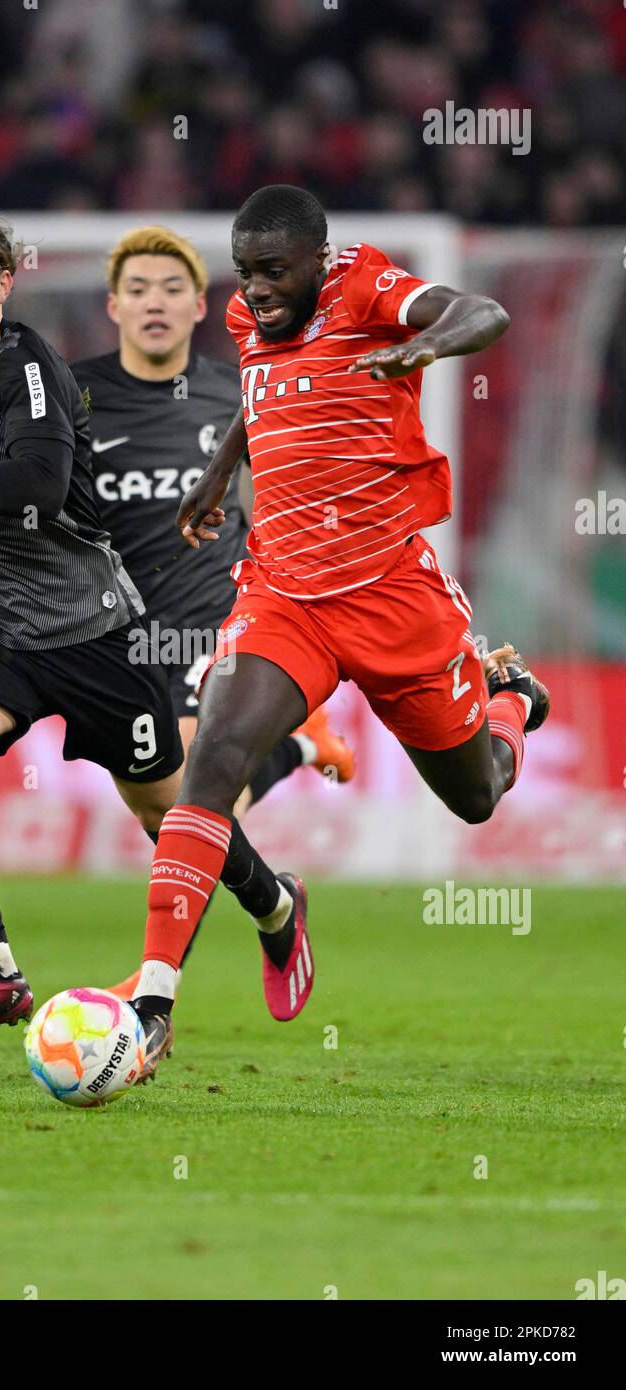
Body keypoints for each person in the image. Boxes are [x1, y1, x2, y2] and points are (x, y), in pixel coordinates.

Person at [0, 200, 313, 1055]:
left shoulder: (30, 364)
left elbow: (37, 485)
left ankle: (275, 903)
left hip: (94, 633)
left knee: (177, 819)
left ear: (2, 283)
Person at [131, 184, 550, 1081]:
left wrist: (424, 347)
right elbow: (261, 402)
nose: (256, 289)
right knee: (210, 762)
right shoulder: (250, 317)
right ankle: (153, 1003)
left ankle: (510, 702)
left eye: (275, 271)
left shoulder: (365, 287)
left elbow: (485, 310)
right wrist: (216, 476)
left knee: (477, 793)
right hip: (284, 592)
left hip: (392, 594)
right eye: (245, 272)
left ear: (318, 260)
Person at [72, 224, 355, 998]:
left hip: (216, 623)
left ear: (200, 305)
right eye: (138, 290)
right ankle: (275, 900)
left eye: (171, 289)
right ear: (114, 306)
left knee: (200, 788)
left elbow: (293, 495)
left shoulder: (241, 389)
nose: (154, 303)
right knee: (168, 819)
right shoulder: (76, 398)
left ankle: (153, 989)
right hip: (117, 639)